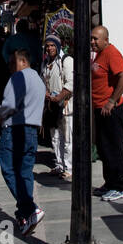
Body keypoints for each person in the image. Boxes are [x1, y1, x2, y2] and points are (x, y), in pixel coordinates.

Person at [0, 48, 46, 237]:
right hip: (32, 130)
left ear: (23, 61)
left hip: (15, 129)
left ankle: (30, 209)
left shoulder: (18, 77)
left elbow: (9, 105)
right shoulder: (38, 80)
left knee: (9, 168)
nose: (10, 67)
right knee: (25, 172)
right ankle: (25, 214)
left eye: (13, 63)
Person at [90, 25, 123, 201]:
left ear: (105, 40)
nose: (92, 42)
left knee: (114, 148)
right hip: (100, 110)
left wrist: (112, 101)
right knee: (104, 148)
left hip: (111, 110)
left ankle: (120, 186)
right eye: (91, 38)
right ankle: (110, 183)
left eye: (95, 39)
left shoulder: (112, 53)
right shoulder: (99, 55)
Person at [42, 34, 74, 180]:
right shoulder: (45, 63)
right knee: (55, 137)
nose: (49, 48)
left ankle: (69, 167)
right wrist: (46, 93)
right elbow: (43, 80)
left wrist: (59, 97)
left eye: (52, 45)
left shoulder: (66, 61)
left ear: (58, 46)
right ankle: (60, 164)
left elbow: (71, 82)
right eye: (47, 46)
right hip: (52, 106)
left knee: (67, 138)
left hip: (65, 106)